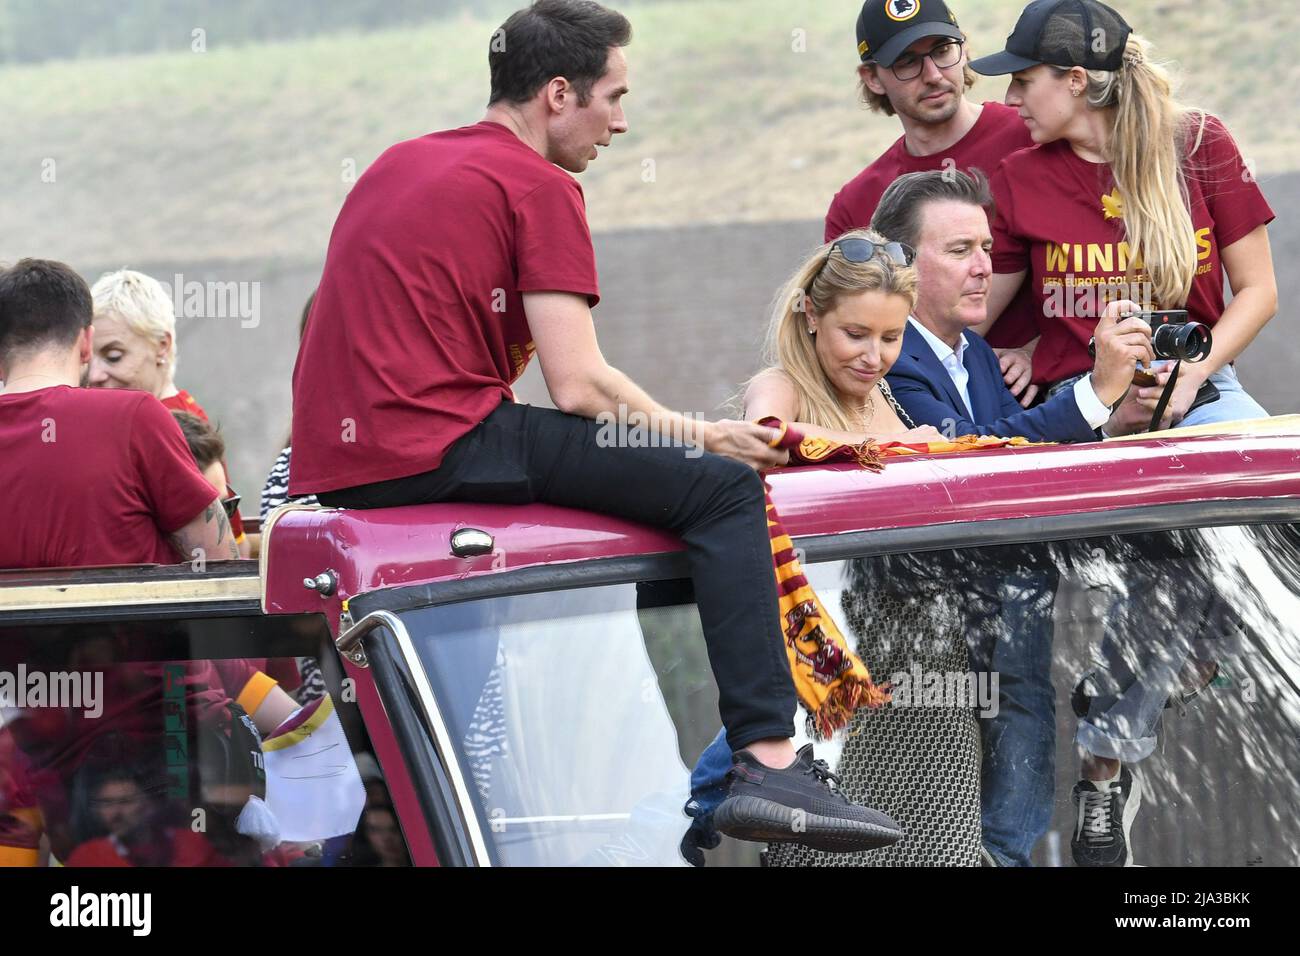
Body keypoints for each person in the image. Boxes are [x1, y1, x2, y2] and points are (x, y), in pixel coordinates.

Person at [287, 0, 900, 852]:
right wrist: (707, 435)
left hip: (347, 468)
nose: (621, 120)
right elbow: (578, 386)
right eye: (613, 96)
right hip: (445, 442)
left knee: (661, 485)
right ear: (559, 94)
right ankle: (767, 759)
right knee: (721, 495)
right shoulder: (539, 185)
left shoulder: (398, 162)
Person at [973, 0, 1277, 435]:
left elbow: (1259, 291)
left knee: (1264, 468)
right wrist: (1025, 351)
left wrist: (1188, 379)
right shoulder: (1020, 176)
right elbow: (971, 314)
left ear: (1075, 80)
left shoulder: (1199, 143)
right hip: (1084, 395)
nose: (1010, 99)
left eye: (1023, 80)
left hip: (1201, 383)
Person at [827, 0, 1042, 390]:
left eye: (942, 51)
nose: (932, 75)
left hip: (1046, 395)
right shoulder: (856, 202)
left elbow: (1111, 268)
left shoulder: (1034, 138)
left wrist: (1039, 351)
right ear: (873, 78)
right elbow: (840, 331)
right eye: (906, 61)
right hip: (927, 414)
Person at [873, 168, 1155, 441]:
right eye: (960, 251)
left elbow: (1024, 445)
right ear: (900, 262)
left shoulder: (976, 351)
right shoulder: (885, 358)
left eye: (986, 249)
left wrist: (1113, 422)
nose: (984, 267)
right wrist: (1099, 389)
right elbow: (966, 448)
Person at [87, 268, 251, 556]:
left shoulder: (171, 425)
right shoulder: (171, 413)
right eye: (88, 358)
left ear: (162, 346)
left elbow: (231, 548)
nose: (96, 374)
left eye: (114, 356)